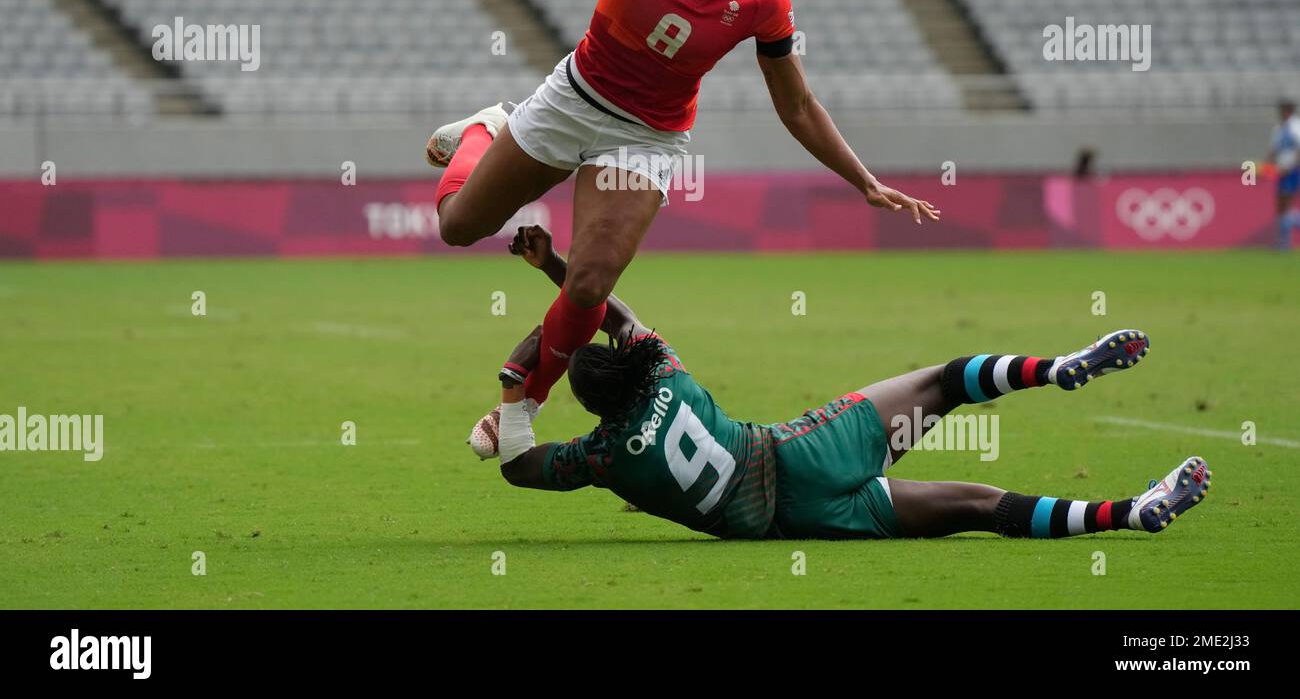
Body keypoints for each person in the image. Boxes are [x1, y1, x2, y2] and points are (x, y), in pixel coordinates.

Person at [427, 0, 940, 447]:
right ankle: (486, 127)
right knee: (458, 226)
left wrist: (865, 181)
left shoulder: (764, 0)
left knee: (591, 281)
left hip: (645, 136)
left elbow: (798, 105)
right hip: (574, 99)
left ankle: (521, 409)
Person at [486, 225, 1210, 541]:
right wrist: (555, 268)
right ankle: (1056, 369)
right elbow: (615, 312)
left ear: (594, 405)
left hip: (802, 523)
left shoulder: (605, 459)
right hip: (807, 451)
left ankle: (1127, 514)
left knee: (982, 508)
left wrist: (516, 393)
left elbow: (521, 468)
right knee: (948, 380)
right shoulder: (667, 376)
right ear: (625, 367)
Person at [1267, 99, 1300, 250]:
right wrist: (1266, 167)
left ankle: (1284, 243)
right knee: (1281, 206)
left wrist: (1293, 165)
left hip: (1292, 170)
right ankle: (1284, 242)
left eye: (1283, 110)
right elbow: (1273, 150)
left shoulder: (1295, 126)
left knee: (1286, 204)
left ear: (1288, 111)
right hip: (1281, 170)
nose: (1281, 113)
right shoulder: (1279, 128)